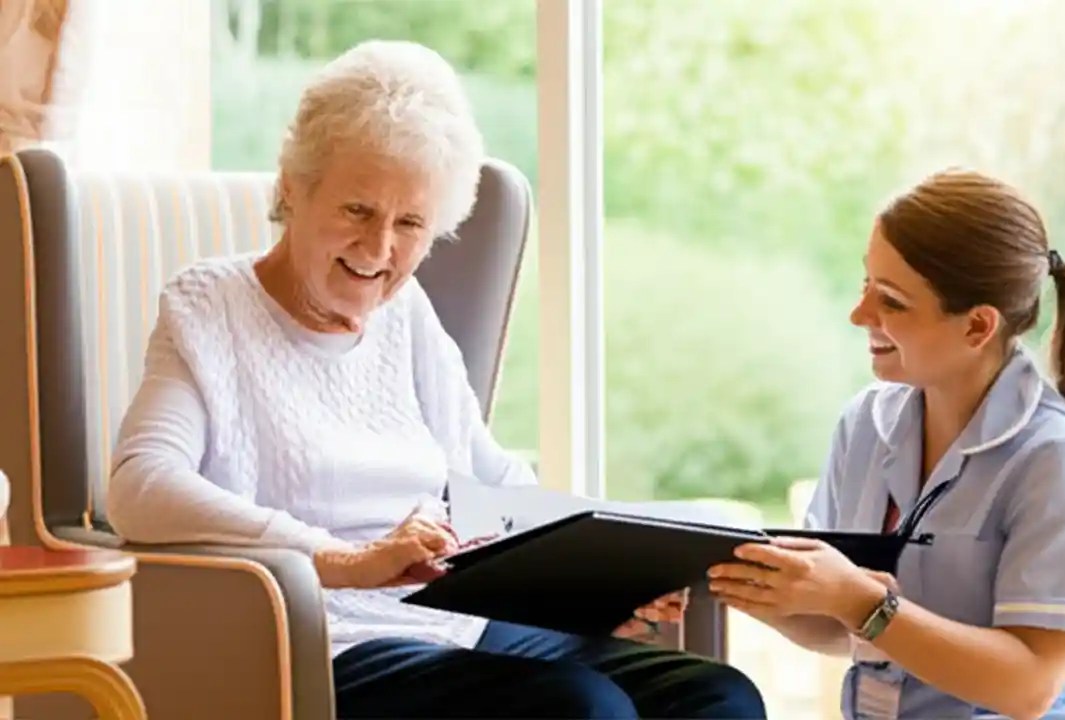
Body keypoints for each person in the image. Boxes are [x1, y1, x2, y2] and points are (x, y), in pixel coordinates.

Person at [105, 39, 765, 720]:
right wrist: (342, 560)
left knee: (716, 696)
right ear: (292, 188)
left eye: (410, 223)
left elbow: (489, 476)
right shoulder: (209, 307)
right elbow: (139, 486)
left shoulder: (405, 313)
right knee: (580, 708)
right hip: (324, 640)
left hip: (456, 622)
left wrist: (594, 584)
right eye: (357, 210)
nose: (379, 250)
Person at [708, 169, 1065, 720]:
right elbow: (838, 627)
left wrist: (859, 600)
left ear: (978, 327)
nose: (860, 315)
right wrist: (730, 579)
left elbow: (1029, 686)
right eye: (866, 285)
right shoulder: (865, 422)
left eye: (892, 301)